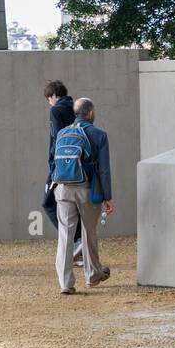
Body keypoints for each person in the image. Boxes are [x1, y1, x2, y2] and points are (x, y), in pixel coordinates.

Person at [52, 97, 114, 295]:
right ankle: (92, 275)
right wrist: (107, 196)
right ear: (91, 113)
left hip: (62, 188)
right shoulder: (99, 135)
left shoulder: (62, 132)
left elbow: (53, 161)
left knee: (65, 235)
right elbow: (104, 169)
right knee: (89, 232)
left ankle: (65, 283)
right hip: (87, 190)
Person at [42, 80, 81, 260]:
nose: (48, 102)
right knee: (74, 204)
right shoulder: (75, 108)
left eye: (48, 98)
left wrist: (54, 165)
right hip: (78, 163)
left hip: (60, 165)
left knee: (48, 203)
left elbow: (58, 137)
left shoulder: (56, 110)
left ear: (53, 96)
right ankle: (79, 246)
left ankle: (75, 241)